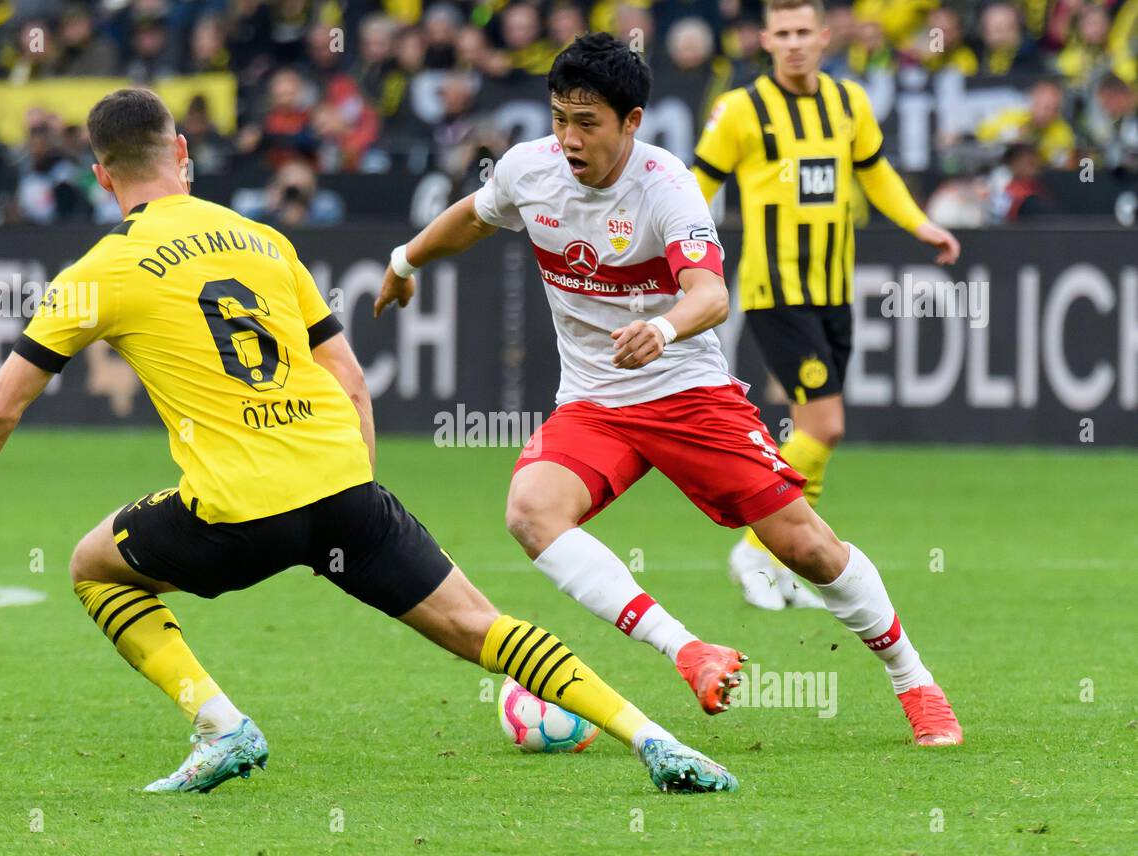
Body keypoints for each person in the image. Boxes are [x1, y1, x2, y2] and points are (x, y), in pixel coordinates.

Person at [0, 88, 736, 796]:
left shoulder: (100, 269)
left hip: (233, 512)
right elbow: (350, 379)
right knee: (479, 626)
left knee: (91, 565)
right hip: (345, 489)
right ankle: (652, 737)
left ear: (100, 176)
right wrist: (356, 504)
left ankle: (221, 726)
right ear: (183, 153)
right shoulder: (263, 239)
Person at [374, 32, 962, 747]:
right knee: (531, 513)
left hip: (687, 393)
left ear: (632, 122)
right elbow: (473, 215)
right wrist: (405, 261)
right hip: (594, 404)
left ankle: (914, 679)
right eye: (560, 117)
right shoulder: (530, 170)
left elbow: (710, 294)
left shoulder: (666, 185)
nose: (568, 137)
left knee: (805, 547)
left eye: (587, 123)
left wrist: (664, 327)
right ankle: (687, 649)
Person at [692, 0, 961, 610]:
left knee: (815, 432)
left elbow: (876, 172)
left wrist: (921, 225)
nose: (792, 44)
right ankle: (756, 553)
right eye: (780, 34)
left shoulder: (849, 104)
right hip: (774, 292)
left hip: (834, 292)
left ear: (823, 37)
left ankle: (785, 559)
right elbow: (694, 188)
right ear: (765, 39)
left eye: (802, 33)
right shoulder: (740, 111)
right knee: (826, 422)